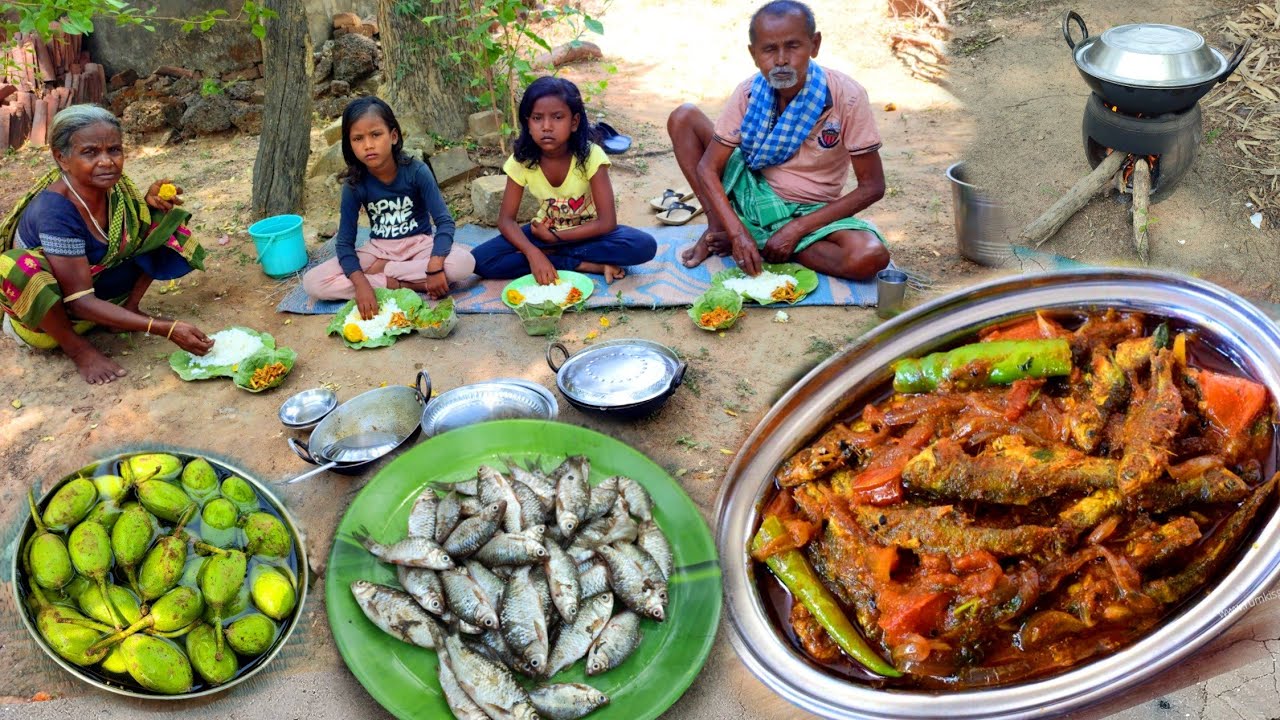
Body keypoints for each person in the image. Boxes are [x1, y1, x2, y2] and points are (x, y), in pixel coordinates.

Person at [666, 0, 891, 280]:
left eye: (793, 46)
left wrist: (795, 230)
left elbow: (872, 187)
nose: (782, 60)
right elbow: (708, 168)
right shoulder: (748, 93)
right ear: (754, 54)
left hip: (812, 210)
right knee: (684, 116)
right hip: (749, 193)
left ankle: (762, 240)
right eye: (769, 49)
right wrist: (735, 233)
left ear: (815, 45)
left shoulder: (848, 96)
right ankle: (720, 228)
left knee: (870, 257)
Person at [0, 104, 213, 384]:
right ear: (61, 157)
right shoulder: (55, 209)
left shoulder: (113, 187)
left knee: (165, 221)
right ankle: (78, 349)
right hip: (53, 317)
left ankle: (126, 312)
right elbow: (79, 302)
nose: (107, 161)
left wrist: (149, 204)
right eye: (90, 152)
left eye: (114, 150)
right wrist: (164, 328)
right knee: (18, 267)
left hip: (97, 295)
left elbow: (132, 230)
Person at [301, 97, 475, 319]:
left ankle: (392, 278)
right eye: (358, 138)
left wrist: (434, 264)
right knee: (313, 282)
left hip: (418, 245)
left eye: (376, 134)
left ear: (393, 136)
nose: (368, 145)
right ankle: (409, 284)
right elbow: (344, 243)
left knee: (464, 263)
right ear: (350, 145)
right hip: (378, 251)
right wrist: (361, 283)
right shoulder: (355, 185)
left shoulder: (416, 172)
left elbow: (444, 222)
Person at [471, 76, 656, 285]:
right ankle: (580, 263)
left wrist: (557, 238)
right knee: (480, 261)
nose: (547, 126)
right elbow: (506, 220)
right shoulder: (522, 160)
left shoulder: (591, 156)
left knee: (643, 245)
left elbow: (607, 222)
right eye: (537, 118)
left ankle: (556, 256)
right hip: (542, 234)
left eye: (558, 117)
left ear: (574, 122)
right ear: (528, 123)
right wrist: (533, 253)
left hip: (588, 233)